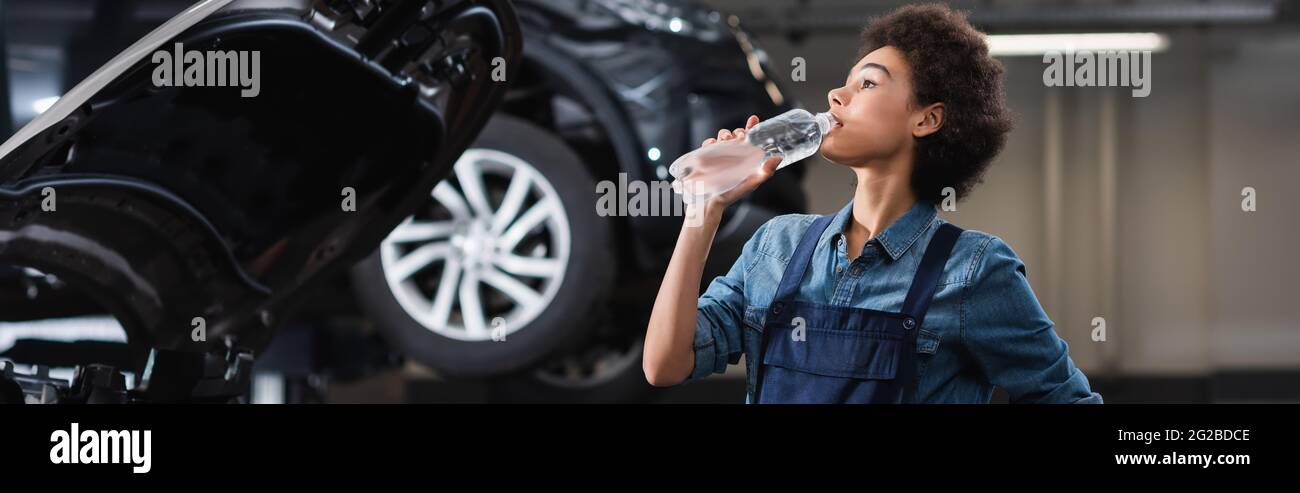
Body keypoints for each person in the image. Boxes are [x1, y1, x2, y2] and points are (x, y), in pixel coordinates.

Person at [642, 3, 1102, 404]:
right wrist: (704, 213)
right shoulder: (775, 247)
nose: (835, 96)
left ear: (927, 118)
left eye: (866, 84)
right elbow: (665, 365)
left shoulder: (975, 271)